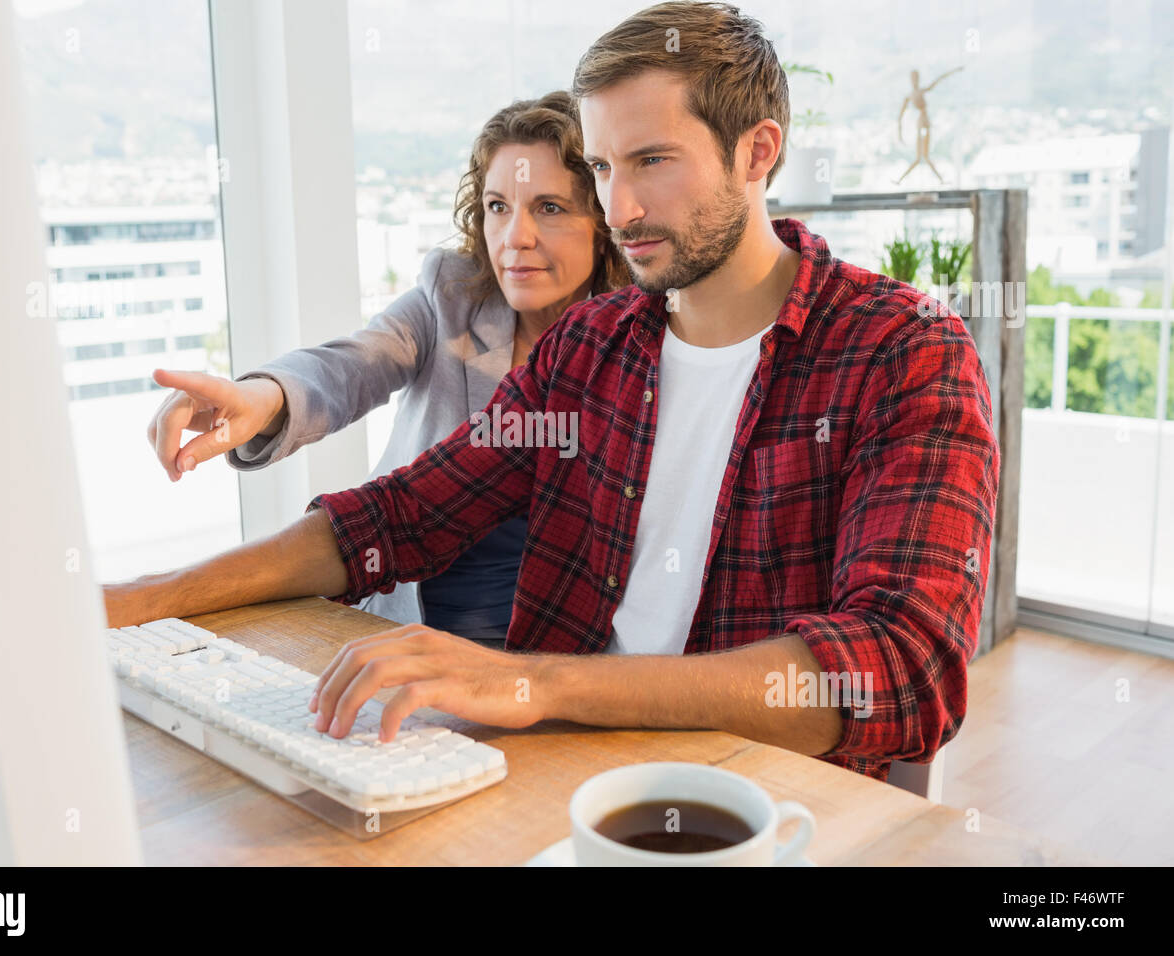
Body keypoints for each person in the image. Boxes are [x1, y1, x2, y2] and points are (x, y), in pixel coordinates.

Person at [106, 1, 1000, 783]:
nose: (624, 208)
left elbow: (898, 666)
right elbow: (400, 517)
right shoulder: (593, 345)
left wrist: (533, 681)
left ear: (757, 152)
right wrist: (140, 601)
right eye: (605, 169)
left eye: (652, 160)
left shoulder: (904, 353)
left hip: (754, 806)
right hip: (560, 769)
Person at [126, 91, 627, 645]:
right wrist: (262, 397)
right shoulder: (452, 295)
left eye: (549, 208)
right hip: (409, 630)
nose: (514, 237)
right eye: (497, 206)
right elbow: (354, 364)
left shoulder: (636, 349)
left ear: (605, 220)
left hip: (550, 656)